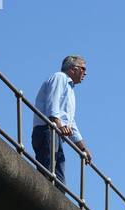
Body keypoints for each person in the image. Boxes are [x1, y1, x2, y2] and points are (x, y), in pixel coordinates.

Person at [32, 56, 92, 187]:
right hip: (47, 130)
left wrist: (82, 148)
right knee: (46, 174)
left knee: (59, 182)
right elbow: (52, 105)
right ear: (73, 68)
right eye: (83, 68)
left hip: (56, 134)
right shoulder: (60, 77)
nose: (85, 73)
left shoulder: (70, 89)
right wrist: (59, 125)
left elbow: (70, 122)